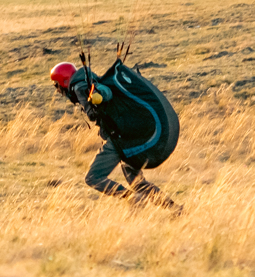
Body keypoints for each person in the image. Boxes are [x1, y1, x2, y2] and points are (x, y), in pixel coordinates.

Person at [51, 44, 181, 212]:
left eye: (57, 85)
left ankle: (132, 198)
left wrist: (95, 100)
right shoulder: (89, 81)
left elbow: (99, 104)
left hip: (120, 140)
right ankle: (175, 209)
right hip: (129, 137)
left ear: (63, 81)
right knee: (137, 182)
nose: (59, 90)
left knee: (93, 177)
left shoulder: (80, 87)